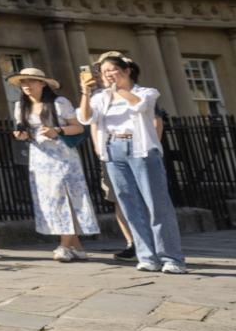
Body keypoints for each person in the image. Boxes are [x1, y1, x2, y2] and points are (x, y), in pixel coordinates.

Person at [79, 54, 186, 273]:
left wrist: (116, 88)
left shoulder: (146, 92)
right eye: (103, 71)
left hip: (141, 150)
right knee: (130, 207)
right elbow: (86, 118)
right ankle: (147, 257)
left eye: (112, 69)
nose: (107, 74)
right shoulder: (101, 97)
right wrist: (86, 92)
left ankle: (172, 258)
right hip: (113, 151)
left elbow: (140, 106)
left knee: (157, 206)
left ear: (127, 70)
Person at [7, 68, 98, 261]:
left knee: (64, 197)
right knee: (51, 199)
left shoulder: (59, 103)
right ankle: (78, 248)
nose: (26, 85)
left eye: (31, 81)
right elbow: (25, 131)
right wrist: (22, 135)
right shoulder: (19, 107)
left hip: (63, 156)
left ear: (43, 83)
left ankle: (64, 245)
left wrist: (57, 130)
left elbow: (78, 127)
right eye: (23, 82)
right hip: (39, 158)